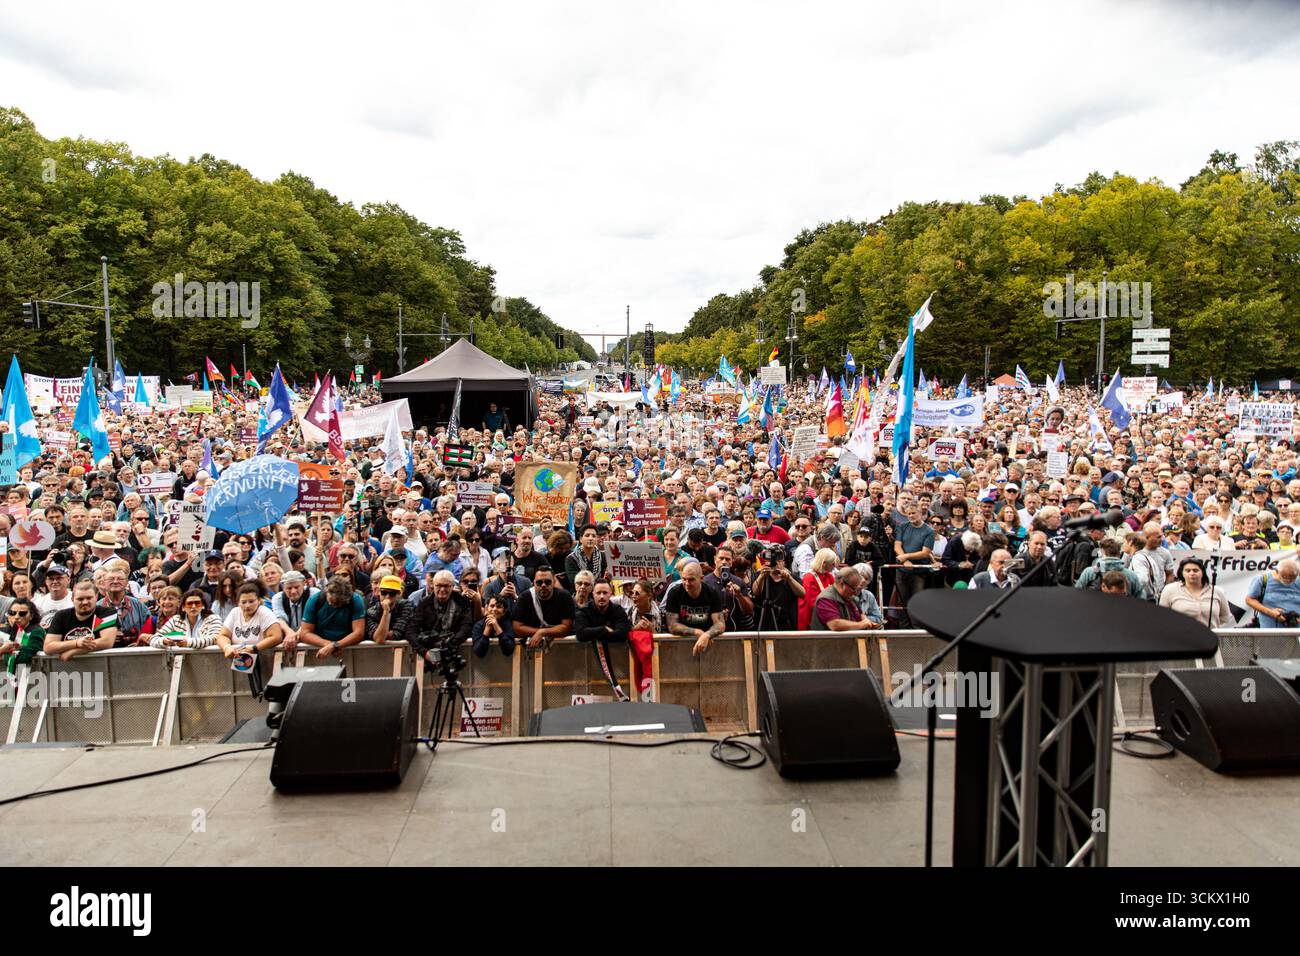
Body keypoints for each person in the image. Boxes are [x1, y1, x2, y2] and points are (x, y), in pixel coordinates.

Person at [43, 581, 119, 661]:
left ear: (96, 597)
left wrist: (74, 652)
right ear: (72, 599)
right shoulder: (61, 615)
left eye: (89, 598)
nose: (85, 602)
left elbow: (106, 642)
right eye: (80, 599)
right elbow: (48, 647)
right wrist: (77, 643)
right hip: (69, 670)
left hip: (101, 666)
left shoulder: (107, 613)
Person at [663, 560, 724, 655]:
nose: (687, 583)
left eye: (691, 579)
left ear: (701, 578)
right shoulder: (675, 592)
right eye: (684, 579)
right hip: (681, 645)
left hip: (708, 645)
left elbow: (720, 624)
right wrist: (696, 632)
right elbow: (672, 625)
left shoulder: (711, 592)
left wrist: (707, 635)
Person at [298, 575, 366, 658]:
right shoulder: (315, 600)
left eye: (340, 603)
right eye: (332, 601)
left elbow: (358, 633)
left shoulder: (355, 600)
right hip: (321, 650)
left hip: (350, 650)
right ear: (327, 591)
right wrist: (329, 644)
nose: (336, 605)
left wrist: (335, 645)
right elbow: (305, 633)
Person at [216, 582, 285, 660]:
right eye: (243, 602)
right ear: (238, 602)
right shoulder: (235, 612)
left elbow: (276, 636)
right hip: (239, 660)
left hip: (264, 658)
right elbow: (222, 635)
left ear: (259, 601)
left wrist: (254, 648)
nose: (247, 605)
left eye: (251, 601)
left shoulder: (265, 612)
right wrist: (227, 647)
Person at [511, 566, 575, 649]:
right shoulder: (524, 598)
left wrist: (543, 632)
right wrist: (540, 632)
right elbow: (517, 627)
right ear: (533, 583)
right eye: (539, 582)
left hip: (561, 648)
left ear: (554, 582)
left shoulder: (564, 596)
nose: (543, 585)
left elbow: (566, 627)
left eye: (548, 582)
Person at [1159, 558, 1233, 627]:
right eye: (1187, 570)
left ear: (1202, 572)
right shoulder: (1170, 590)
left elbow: (1225, 617)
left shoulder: (1217, 591)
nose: (1192, 573)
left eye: (1195, 570)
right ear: (1182, 572)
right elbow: (1162, 617)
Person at [810, 565, 882, 631]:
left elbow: (860, 614)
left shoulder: (850, 597)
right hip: (829, 643)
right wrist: (862, 624)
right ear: (842, 584)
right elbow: (835, 624)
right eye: (853, 588)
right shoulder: (826, 599)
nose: (855, 592)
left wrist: (868, 622)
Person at [151, 588, 222, 648]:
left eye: (197, 603)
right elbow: (154, 639)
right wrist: (164, 641)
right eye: (189, 604)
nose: (193, 606)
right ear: (183, 608)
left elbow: (214, 639)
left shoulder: (213, 619)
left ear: (203, 606)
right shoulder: (176, 620)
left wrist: (188, 642)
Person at [1074, 538, 1143, 595]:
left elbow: (1077, 593)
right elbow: (1141, 598)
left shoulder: (1089, 572)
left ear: (1102, 552)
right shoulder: (1131, 575)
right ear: (1119, 554)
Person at [1244, 558, 1300, 628]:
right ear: (1276, 571)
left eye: (1293, 578)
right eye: (1285, 577)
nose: (1289, 580)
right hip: (1271, 630)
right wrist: (1270, 612)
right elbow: (1249, 600)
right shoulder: (1263, 580)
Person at [1, 597, 45, 676]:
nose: (16, 617)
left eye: (22, 613)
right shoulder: (6, 631)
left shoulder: (36, 631)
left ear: (31, 616)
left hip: (31, 677)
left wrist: (6, 652)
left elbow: (25, 657)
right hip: (9, 679)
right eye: (12, 613)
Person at [798, 548, 839, 630]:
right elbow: (812, 603)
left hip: (825, 614)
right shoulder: (809, 577)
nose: (835, 567)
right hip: (811, 619)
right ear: (824, 564)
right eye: (832, 564)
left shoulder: (828, 575)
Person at [367, 574, 416, 644]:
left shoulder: (405, 605)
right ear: (379, 592)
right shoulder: (371, 612)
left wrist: (381, 632)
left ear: (399, 594)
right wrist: (386, 612)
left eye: (392, 593)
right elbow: (379, 639)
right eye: (384, 592)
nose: (387, 596)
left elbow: (396, 635)